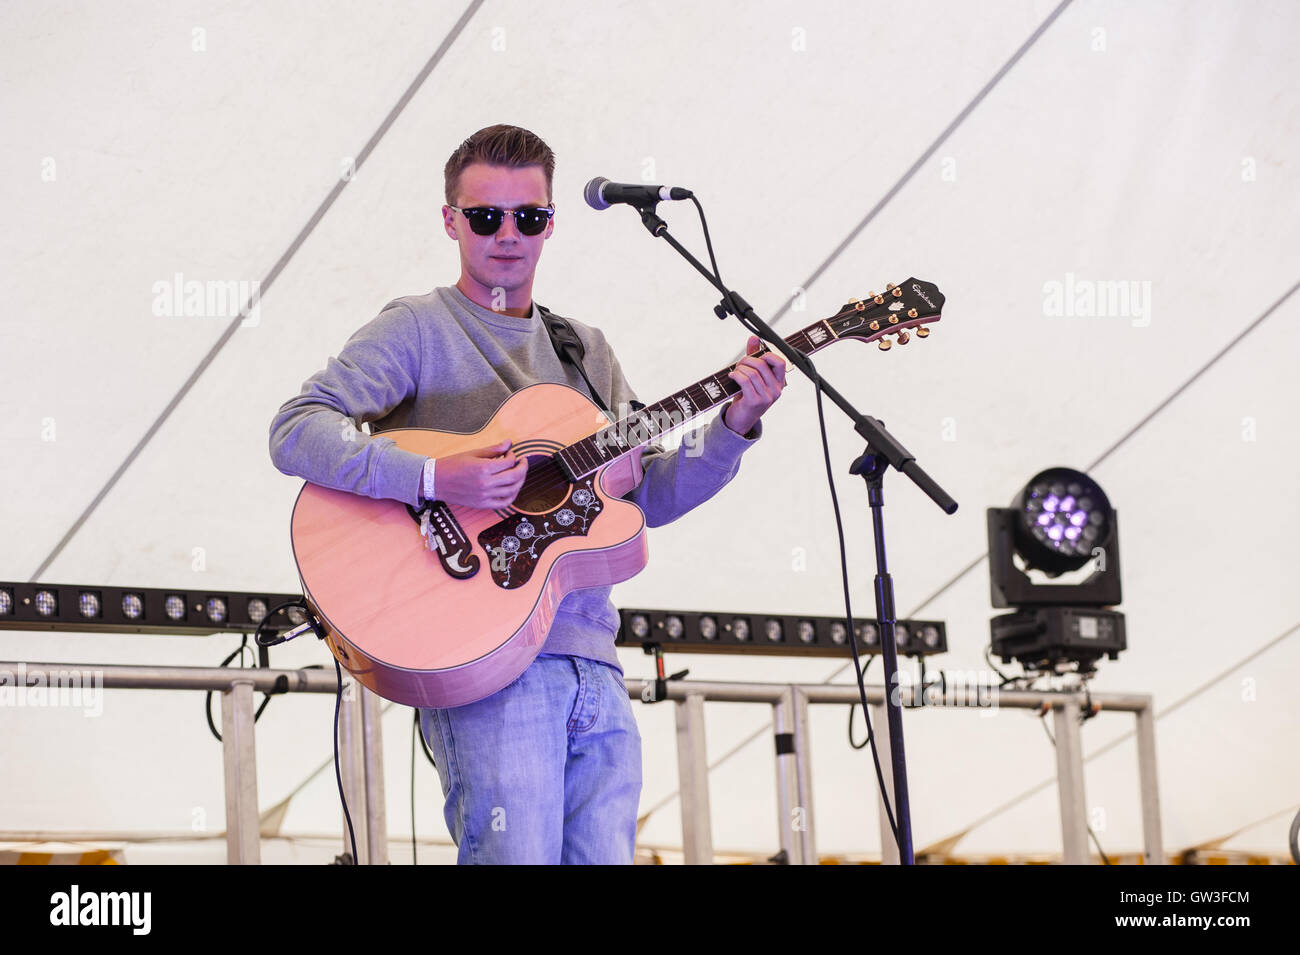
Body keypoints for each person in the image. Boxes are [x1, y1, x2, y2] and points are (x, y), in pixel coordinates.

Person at [269, 124, 786, 864]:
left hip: (594, 662)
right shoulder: (418, 328)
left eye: (529, 217)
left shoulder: (586, 349)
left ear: (551, 222)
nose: (507, 234)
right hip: (482, 653)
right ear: (451, 220)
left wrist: (736, 421)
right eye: (486, 216)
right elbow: (297, 429)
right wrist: (436, 476)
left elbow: (642, 500)